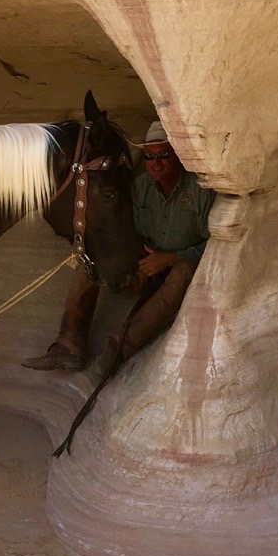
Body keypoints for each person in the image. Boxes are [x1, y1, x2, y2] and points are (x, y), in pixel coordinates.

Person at [23, 119, 215, 375]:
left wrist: (172, 258)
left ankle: (119, 349)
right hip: (145, 262)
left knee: (182, 275)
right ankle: (69, 344)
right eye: (149, 156)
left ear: (179, 157)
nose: (156, 163)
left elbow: (216, 244)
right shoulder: (140, 187)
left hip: (178, 266)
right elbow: (122, 222)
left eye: (164, 155)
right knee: (90, 257)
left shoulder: (200, 192)